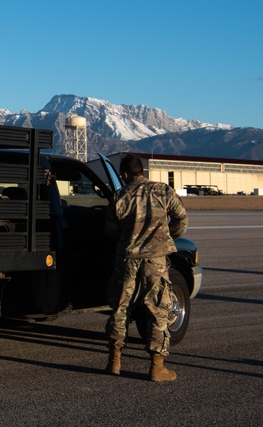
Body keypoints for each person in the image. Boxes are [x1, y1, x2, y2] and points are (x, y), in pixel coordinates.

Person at [104, 153, 188, 382]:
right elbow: (181, 218)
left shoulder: (120, 195)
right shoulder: (163, 191)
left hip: (127, 260)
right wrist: (167, 236)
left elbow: (110, 230)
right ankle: (156, 366)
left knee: (121, 309)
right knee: (157, 310)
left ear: (124, 175)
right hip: (156, 261)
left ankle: (115, 361)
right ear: (143, 172)